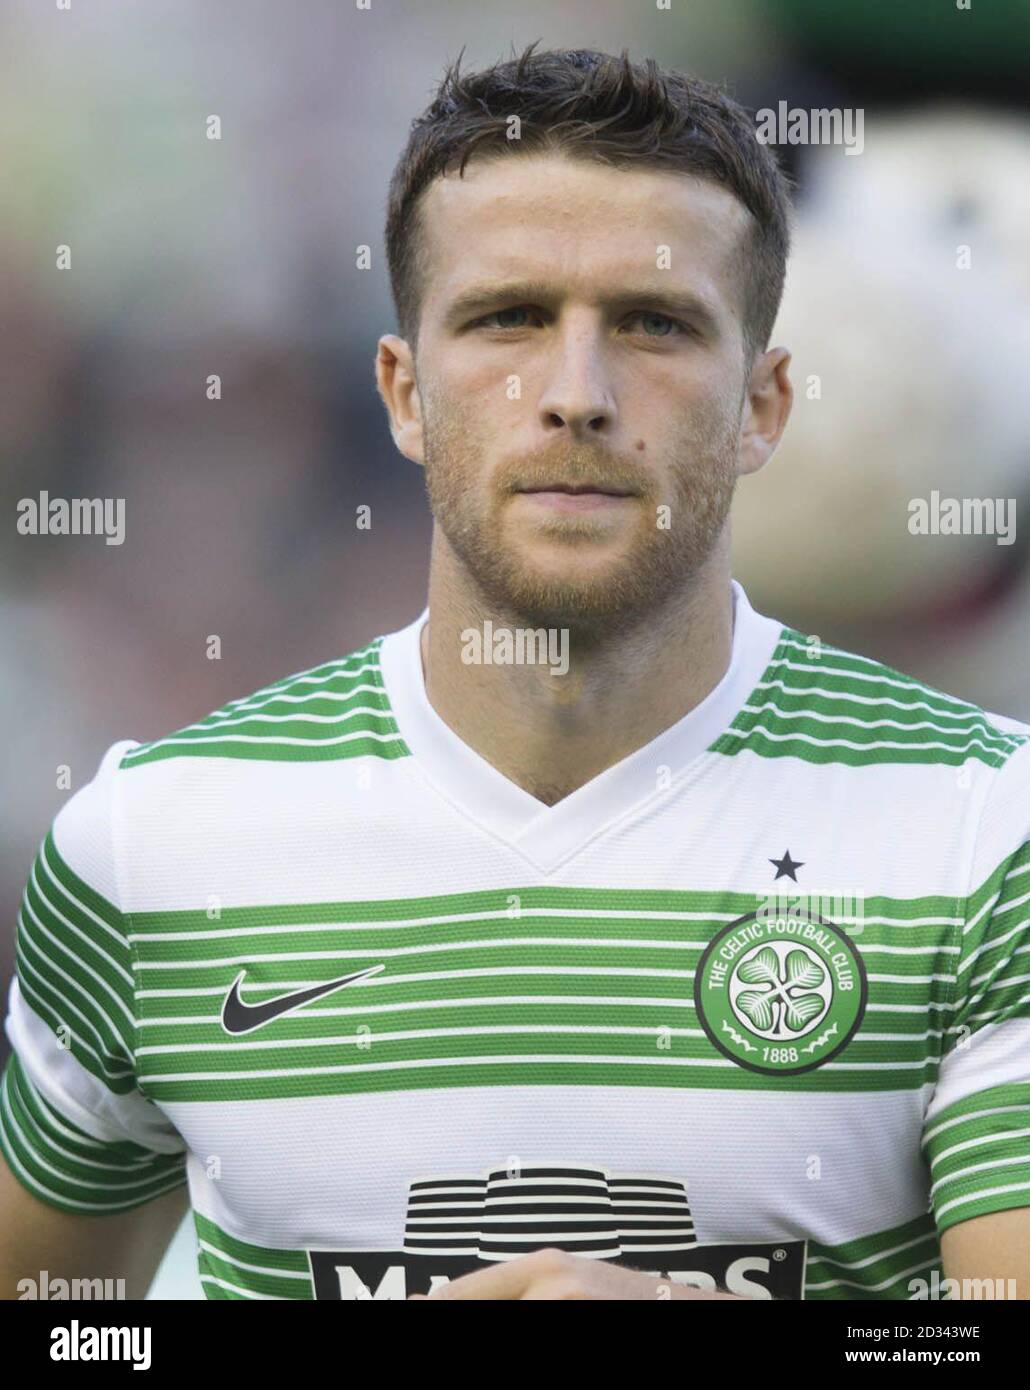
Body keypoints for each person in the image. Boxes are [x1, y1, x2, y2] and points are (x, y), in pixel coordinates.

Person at [2, 44, 1028, 1302]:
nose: (577, 395)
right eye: (508, 319)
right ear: (404, 393)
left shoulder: (986, 827)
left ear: (762, 404)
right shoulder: (147, 844)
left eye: (654, 324)